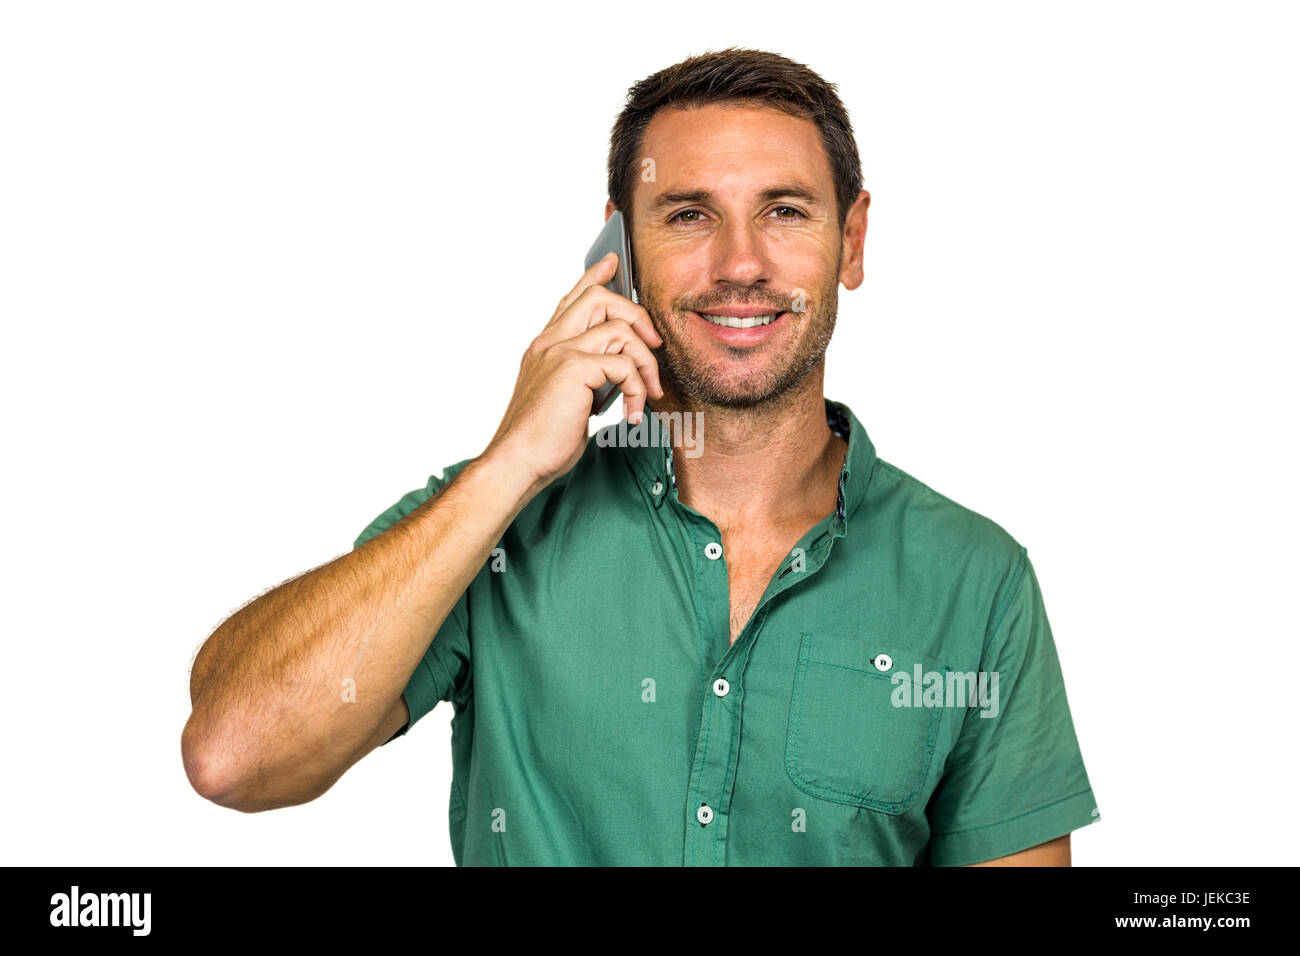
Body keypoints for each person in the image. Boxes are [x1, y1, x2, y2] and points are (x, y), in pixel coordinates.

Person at [182, 47, 1099, 866]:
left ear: (851, 241)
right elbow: (233, 757)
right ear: (621, 247)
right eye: (690, 215)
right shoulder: (494, 526)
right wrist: (508, 468)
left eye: (784, 210)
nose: (741, 264)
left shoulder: (975, 582)